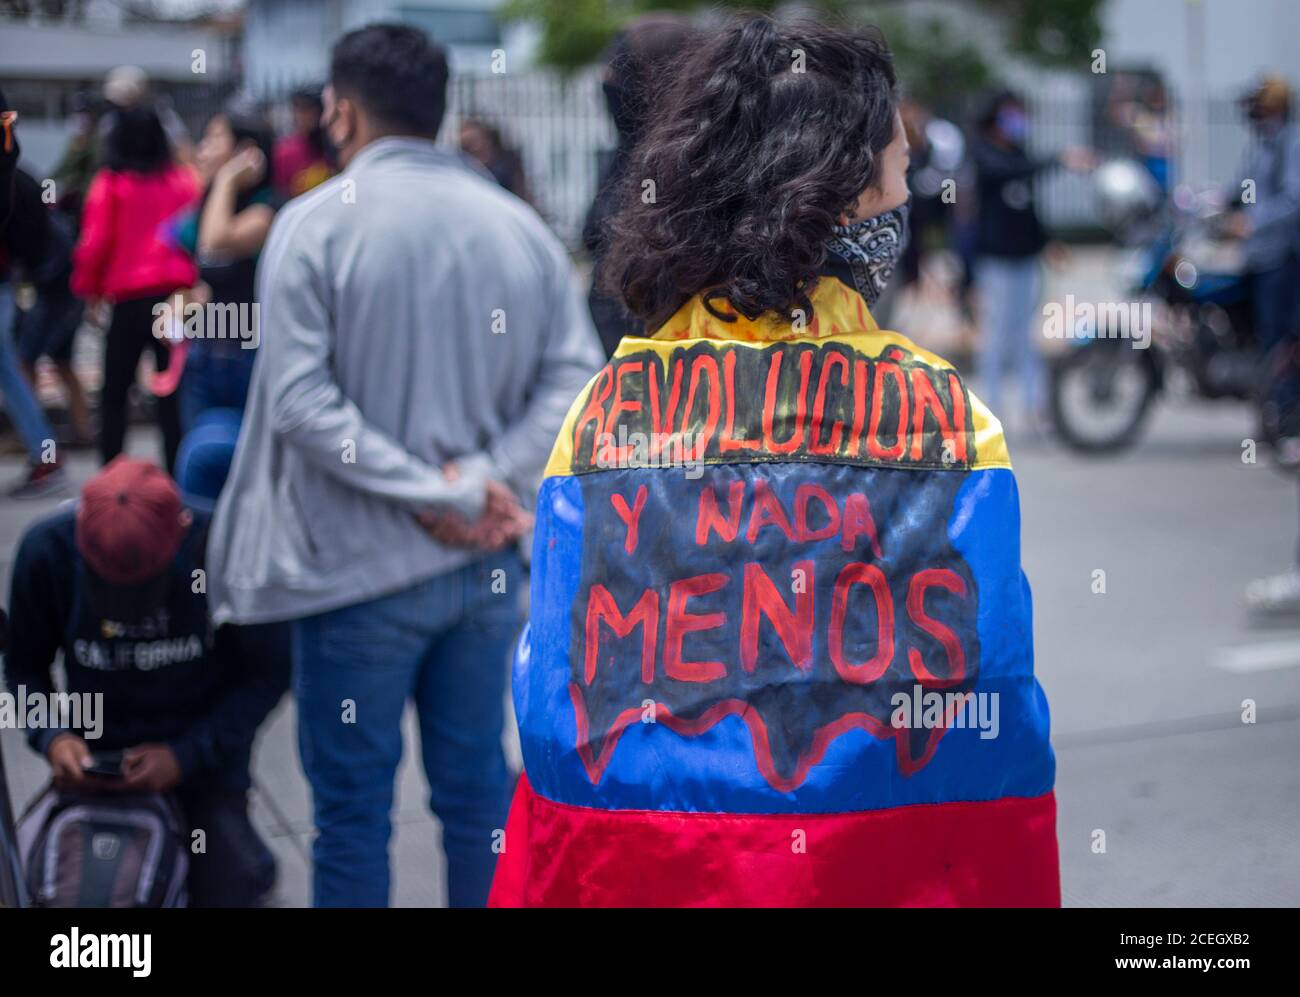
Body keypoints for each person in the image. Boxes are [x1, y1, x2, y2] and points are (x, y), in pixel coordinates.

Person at [490, 15, 1059, 907]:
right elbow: (987, 712)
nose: (910, 194)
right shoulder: (950, 420)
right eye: (900, 169)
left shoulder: (601, 417)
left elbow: (560, 715)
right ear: (846, 198)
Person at [205, 23, 603, 908]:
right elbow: (575, 378)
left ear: (340, 112)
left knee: (351, 814)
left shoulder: (311, 227)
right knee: (480, 804)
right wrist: (481, 482)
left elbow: (301, 404)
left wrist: (444, 488)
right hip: (484, 569)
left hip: (357, 574)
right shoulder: (519, 227)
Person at [3, 457, 289, 907]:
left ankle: (238, 845)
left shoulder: (226, 550)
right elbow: (22, 670)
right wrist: (54, 737)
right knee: (63, 894)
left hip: (199, 755)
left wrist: (187, 754)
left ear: (181, 530)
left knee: (226, 887)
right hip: (96, 759)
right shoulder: (46, 552)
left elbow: (268, 673)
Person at [71, 103, 200, 474]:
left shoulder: (111, 183)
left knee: (115, 394)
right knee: (171, 395)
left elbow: (94, 245)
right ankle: (180, 481)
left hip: (128, 299)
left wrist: (89, 291)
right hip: (175, 300)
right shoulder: (183, 181)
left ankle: (111, 479)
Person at [971, 90, 1093, 428]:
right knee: (995, 336)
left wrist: (1047, 242)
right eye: (1013, 114)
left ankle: (1033, 407)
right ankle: (989, 411)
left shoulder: (1021, 157)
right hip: (995, 261)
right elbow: (1007, 171)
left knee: (1025, 335)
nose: (1018, 122)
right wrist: (1059, 160)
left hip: (1025, 260)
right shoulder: (985, 155)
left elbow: (1028, 208)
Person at [582, 13, 695, 357]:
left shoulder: (688, 164)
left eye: (618, 72)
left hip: (663, 371)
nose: (606, 83)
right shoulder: (626, 154)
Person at [176, 105, 278, 431]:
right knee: (196, 456)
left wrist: (227, 178)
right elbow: (199, 270)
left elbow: (215, 243)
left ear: (246, 152)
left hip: (248, 358)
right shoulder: (209, 205)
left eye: (215, 138)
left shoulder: (268, 205)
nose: (202, 148)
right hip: (204, 353)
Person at [1, 90, 67, 498]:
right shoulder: (18, 171)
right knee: (11, 369)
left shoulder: (13, 173)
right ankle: (45, 452)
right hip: (14, 283)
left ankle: (46, 454)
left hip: (12, 283)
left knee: (12, 369)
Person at [272, 86, 333, 200]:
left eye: (307, 109)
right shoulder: (285, 152)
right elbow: (282, 196)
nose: (301, 116)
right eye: (297, 109)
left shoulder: (335, 146)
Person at [457, 118, 531, 202]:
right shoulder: (463, 167)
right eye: (465, 146)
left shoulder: (508, 163)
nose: (471, 148)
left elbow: (520, 192)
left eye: (471, 141)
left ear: (486, 140)